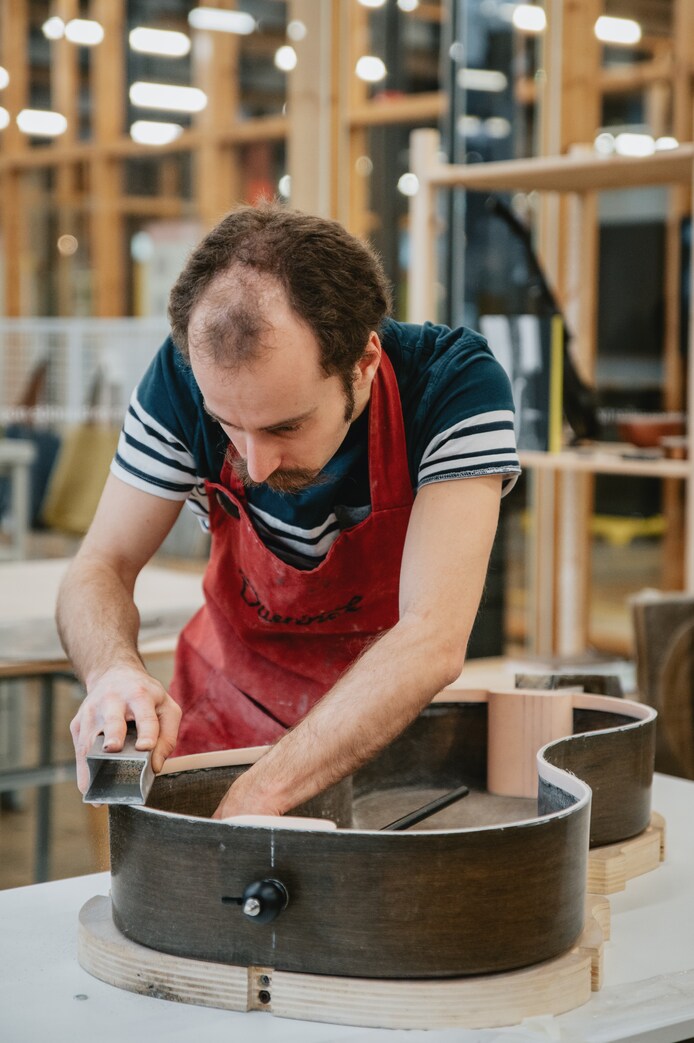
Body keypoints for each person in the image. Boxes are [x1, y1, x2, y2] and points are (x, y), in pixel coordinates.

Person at [58, 202, 520, 820]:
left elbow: (430, 637)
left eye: (286, 426)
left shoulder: (452, 387)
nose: (257, 463)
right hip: (221, 713)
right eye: (228, 426)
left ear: (364, 362)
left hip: (379, 737)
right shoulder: (179, 378)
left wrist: (256, 795)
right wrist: (112, 669)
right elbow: (102, 564)